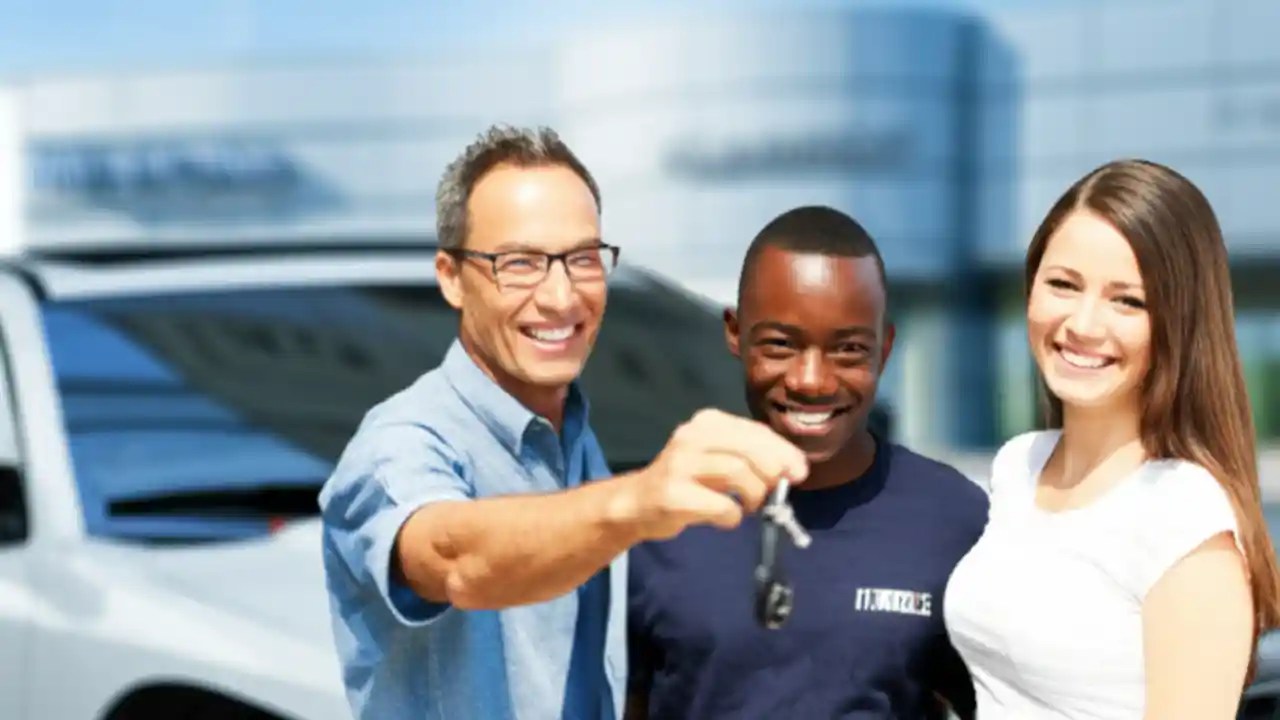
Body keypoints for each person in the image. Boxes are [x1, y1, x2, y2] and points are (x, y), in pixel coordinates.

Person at [317, 124, 810, 720]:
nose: (560, 296)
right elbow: (455, 561)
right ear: (451, 276)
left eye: (582, 259)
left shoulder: (571, 437)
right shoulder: (401, 441)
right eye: (519, 263)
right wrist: (637, 501)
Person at [943, 158, 1280, 719]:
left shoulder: (1184, 519)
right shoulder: (1018, 465)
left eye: (1127, 300)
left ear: (1179, 322)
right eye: (1062, 285)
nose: (1082, 323)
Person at [625, 205, 990, 720]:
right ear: (735, 333)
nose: (811, 380)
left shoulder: (955, 519)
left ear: (884, 349)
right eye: (780, 345)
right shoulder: (660, 514)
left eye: (847, 350)